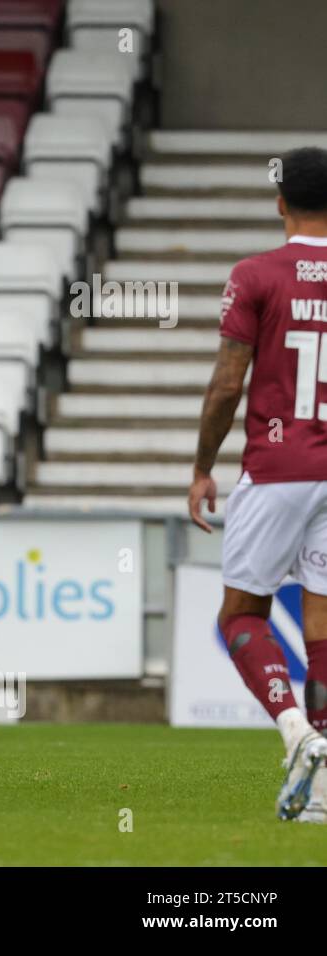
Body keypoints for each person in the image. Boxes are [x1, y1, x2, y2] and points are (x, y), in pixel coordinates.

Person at [189, 145, 327, 822]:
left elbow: (226, 386)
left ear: (280, 203)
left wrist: (200, 466)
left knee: (243, 612)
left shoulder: (255, 275)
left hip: (277, 469)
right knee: (324, 624)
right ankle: (323, 792)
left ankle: (296, 732)